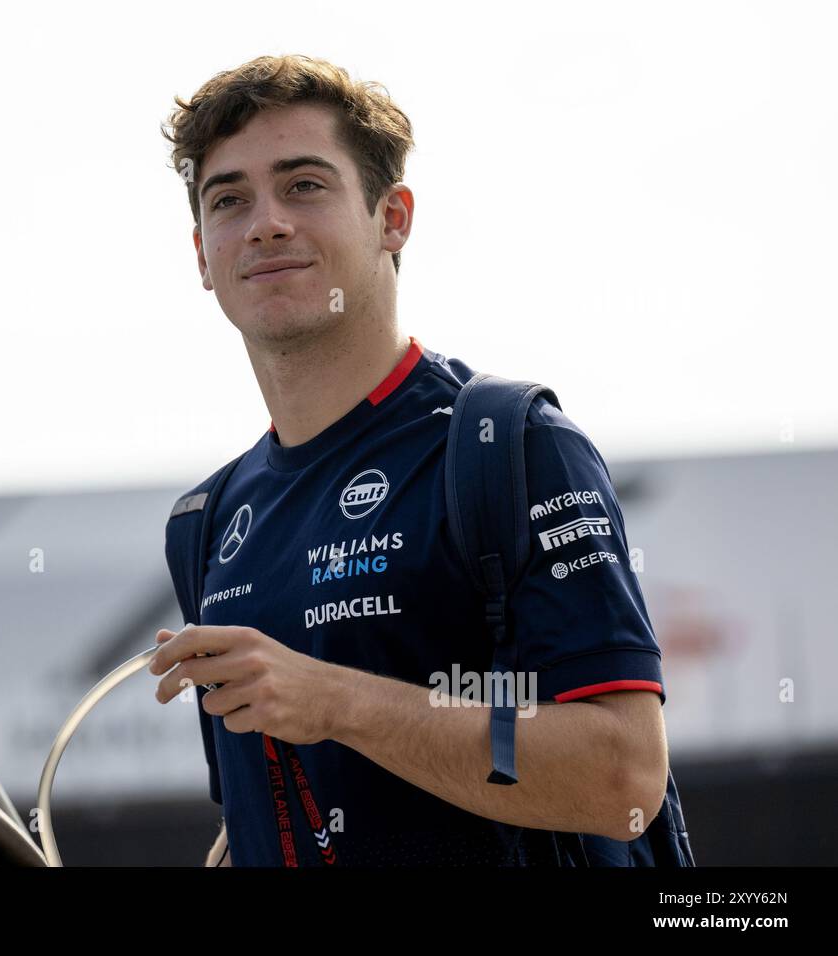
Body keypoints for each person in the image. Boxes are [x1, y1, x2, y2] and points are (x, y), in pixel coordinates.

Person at [148, 55, 671, 866]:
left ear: (392, 218)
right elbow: (285, 808)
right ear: (202, 255)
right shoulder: (208, 522)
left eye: (304, 185)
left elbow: (626, 780)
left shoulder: (513, 446)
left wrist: (338, 701)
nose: (265, 223)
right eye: (229, 201)